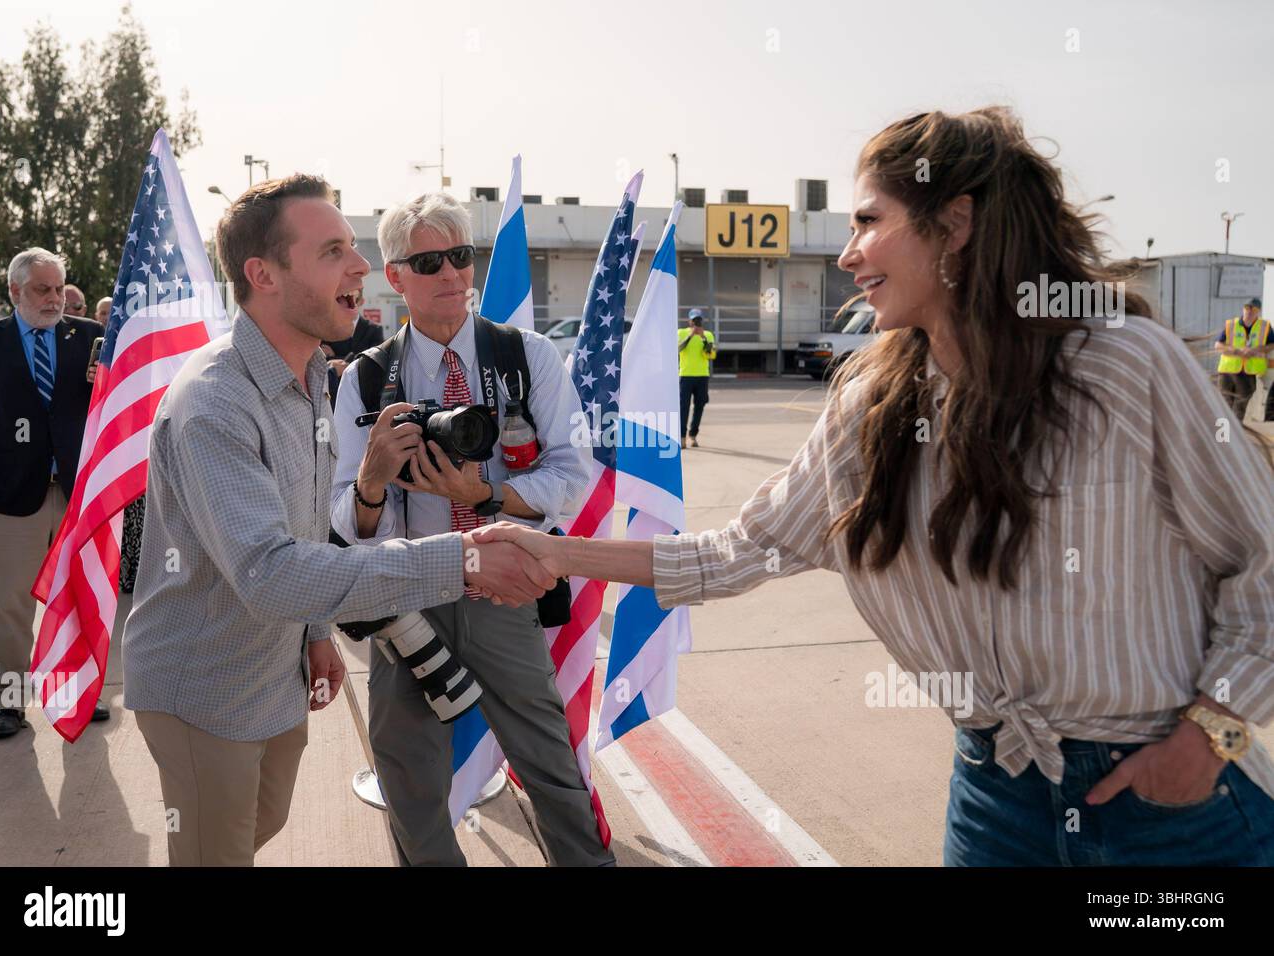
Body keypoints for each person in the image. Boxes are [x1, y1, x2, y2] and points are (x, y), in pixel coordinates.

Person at [476, 107, 1274, 866]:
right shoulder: (872, 406)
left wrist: (1212, 738)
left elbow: (1261, 562)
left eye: (868, 221)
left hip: (1173, 804)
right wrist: (554, 552)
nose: (849, 254)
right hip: (999, 798)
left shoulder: (1124, 364)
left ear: (954, 226)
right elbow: (735, 553)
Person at [121, 175, 558, 866]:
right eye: (332, 252)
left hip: (277, 675)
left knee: (253, 830)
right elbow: (270, 571)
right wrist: (463, 558)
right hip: (205, 692)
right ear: (263, 275)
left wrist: (318, 632)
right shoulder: (214, 405)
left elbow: (306, 530)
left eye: (354, 249)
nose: (359, 267)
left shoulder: (316, 381)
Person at [330, 191, 614, 867]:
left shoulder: (525, 356)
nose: (453, 274)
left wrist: (485, 492)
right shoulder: (366, 382)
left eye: (461, 255)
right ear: (394, 277)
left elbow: (573, 474)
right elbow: (343, 523)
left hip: (502, 588)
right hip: (405, 601)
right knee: (407, 776)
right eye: (429, 262)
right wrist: (373, 479)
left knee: (548, 760)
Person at [0, 248, 105, 739]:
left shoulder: (90, 338)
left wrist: (102, 386)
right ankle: (9, 704)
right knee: (9, 604)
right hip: (8, 498)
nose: (53, 300)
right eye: (41, 290)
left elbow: (110, 413)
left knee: (77, 596)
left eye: (57, 289)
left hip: (78, 493)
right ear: (14, 291)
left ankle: (75, 694)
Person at [321, 290, 384, 400]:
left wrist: (333, 358)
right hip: (333, 394)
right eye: (345, 300)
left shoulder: (374, 329)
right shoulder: (326, 328)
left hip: (361, 392)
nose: (350, 304)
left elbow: (373, 362)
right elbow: (320, 358)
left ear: (361, 302)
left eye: (354, 300)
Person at [1216, 297, 1270, 421]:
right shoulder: (1231, 325)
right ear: (1243, 309)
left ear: (1258, 311)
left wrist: (1256, 350)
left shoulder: (1264, 327)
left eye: (1253, 308)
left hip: (1247, 374)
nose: (1249, 311)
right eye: (1247, 307)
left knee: (1239, 409)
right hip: (1227, 373)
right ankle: (1222, 437)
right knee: (1224, 407)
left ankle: (1234, 436)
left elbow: (1272, 344)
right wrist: (1237, 351)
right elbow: (1218, 346)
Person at [677, 308, 717, 448]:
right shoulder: (681, 333)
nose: (696, 323)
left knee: (700, 405)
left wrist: (703, 338)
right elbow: (678, 349)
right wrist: (690, 336)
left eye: (698, 320)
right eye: (694, 320)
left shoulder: (708, 335)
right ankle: (682, 436)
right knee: (683, 407)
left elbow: (710, 355)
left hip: (702, 376)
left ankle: (693, 435)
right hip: (685, 375)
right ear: (689, 321)